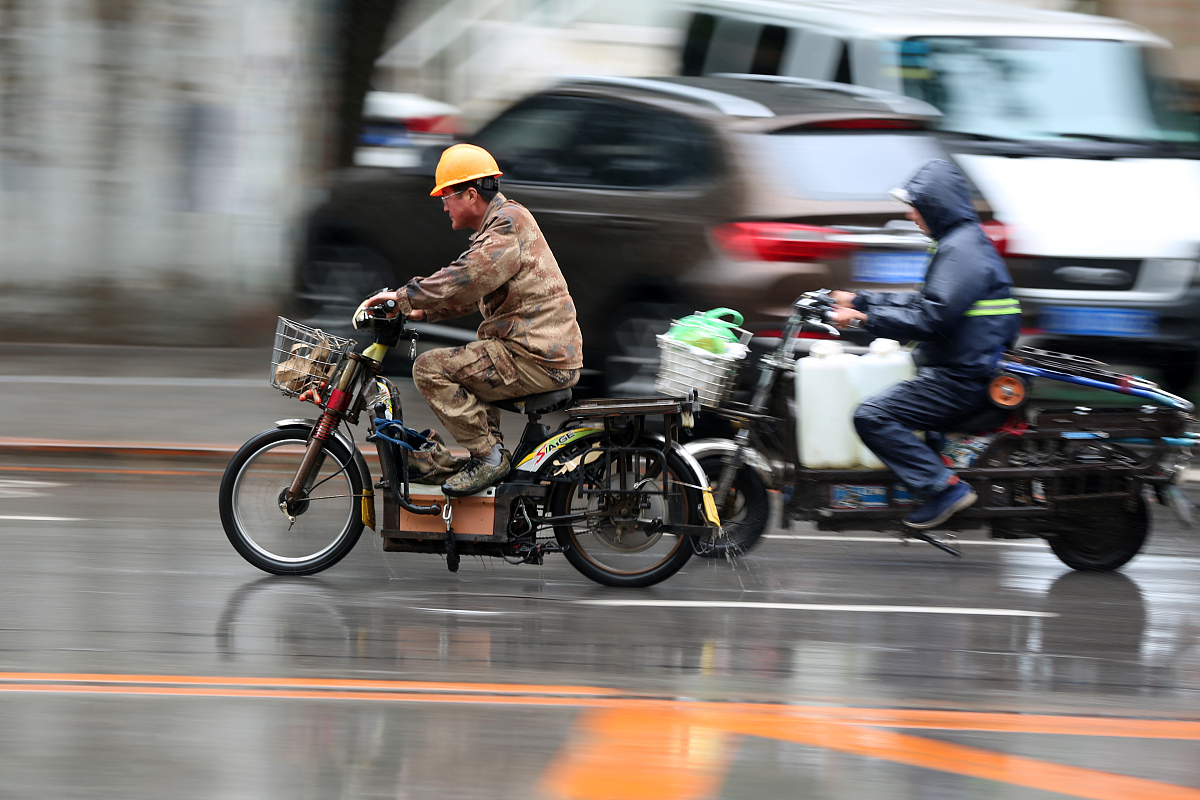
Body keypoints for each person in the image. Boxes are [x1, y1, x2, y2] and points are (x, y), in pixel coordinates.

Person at [366, 143, 583, 497]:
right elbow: (474, 289)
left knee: (430, 368)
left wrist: (404, 297)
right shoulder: (501, 225)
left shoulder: (507, 225)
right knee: (468, 363)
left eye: (446, 197)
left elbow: (466, 276)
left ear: (470, 194)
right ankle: (489, 459)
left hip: (536, 356)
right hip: (533, 351)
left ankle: (489, 457)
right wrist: (423, 310)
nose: (444, 206)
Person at [828, 159, 1020, 530]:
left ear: (936, 205)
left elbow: (930, 319)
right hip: (962, 368)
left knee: (872, 415)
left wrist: (863, 319)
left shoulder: (962, 250)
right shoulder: (959, 244)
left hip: (962, 378)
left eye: (915, 204)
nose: (909, 213)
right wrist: (861, 300)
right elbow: (926, 304)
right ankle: (932, 477)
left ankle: (944, 489)